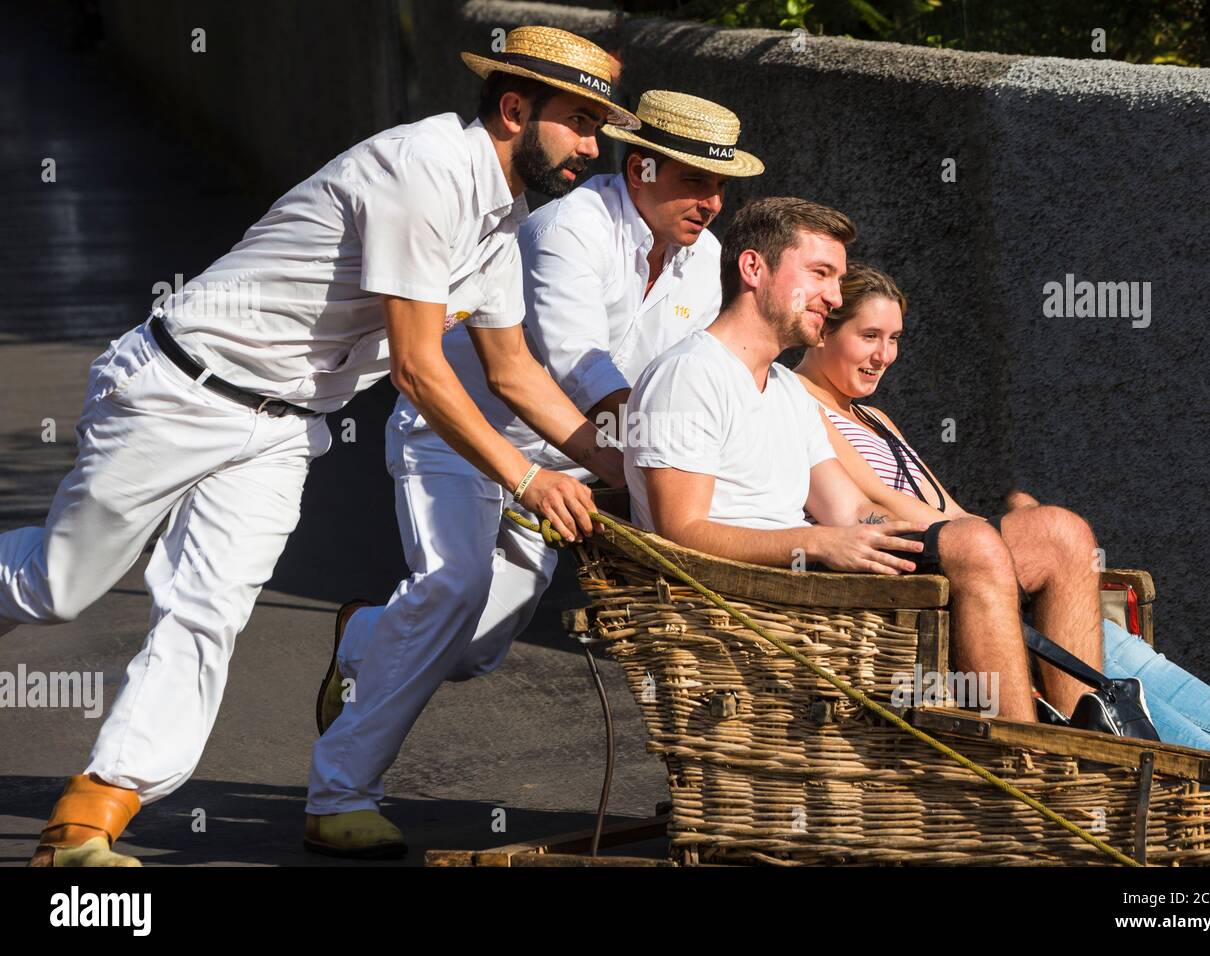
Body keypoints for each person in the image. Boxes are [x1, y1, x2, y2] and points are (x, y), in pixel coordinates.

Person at [5, 24, 638, 867]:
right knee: (59, 587)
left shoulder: (501, 217)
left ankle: (89, 819)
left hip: (276, 428)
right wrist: (528, 478)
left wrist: (618, 468)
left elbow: (515, 370)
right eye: (581, 124)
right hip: (175, 391)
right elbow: (418, 370)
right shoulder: (428, 173)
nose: (593, 149)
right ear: (515, 109)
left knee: (208, 612)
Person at [305, 90, 766, 857]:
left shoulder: (705, 262)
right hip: (458, 437)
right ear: (642, 165)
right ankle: (340, 792)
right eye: (695, 181)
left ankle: (363, 636)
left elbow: (695, 376)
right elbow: (582, 368)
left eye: (722, 187)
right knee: (453, 588)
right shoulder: (566, 228)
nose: (712, 203)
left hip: (564, 463)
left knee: (474, 647)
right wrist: (648, 471)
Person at [791, 260, 1210, 760]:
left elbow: (944, 504)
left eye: (895, 338)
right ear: (823, 333)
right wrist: (1005, 535)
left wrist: (1001, 530)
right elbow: (881, 506)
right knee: (1059, 534)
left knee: (1117, 649)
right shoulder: (807, 406)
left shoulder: (873, 417)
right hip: (915, 569)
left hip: (958, 551)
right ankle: (1124, 755)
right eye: (870, 336)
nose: (884, 355)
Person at [623, 196, 1099, 728]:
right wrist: (817, 542)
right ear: (753, 267)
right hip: (754, 604)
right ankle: (1025, 760)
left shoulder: (783, 388)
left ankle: (1086, 731)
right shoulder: (689, 374)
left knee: (1048, 533)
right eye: (820, 274)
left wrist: (933, 536)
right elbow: (679, 532)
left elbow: (848, 510)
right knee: (979, 547)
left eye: (838, 277)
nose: (832, 295)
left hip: (813, 580)